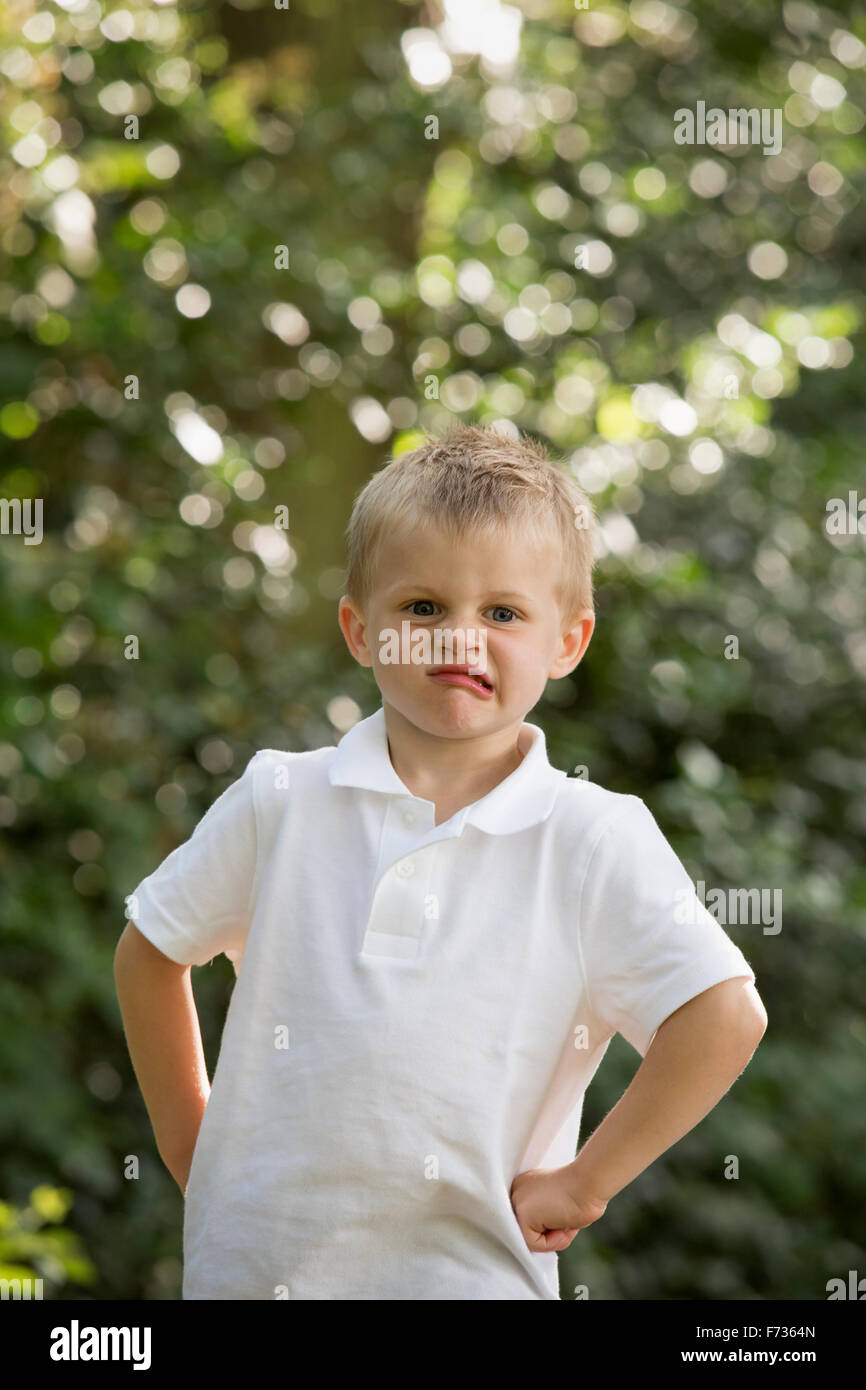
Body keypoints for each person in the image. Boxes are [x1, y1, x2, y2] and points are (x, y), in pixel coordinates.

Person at [114, 423, 766, 1300]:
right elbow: (153, 947)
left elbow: (724, 1016)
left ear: (567, 641)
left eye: (502, 613)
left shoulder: (591, 840)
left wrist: (586, 1181)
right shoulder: (282, 802)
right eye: (423, 608)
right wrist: (191, 1144)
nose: (459, 640)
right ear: (360, 629)